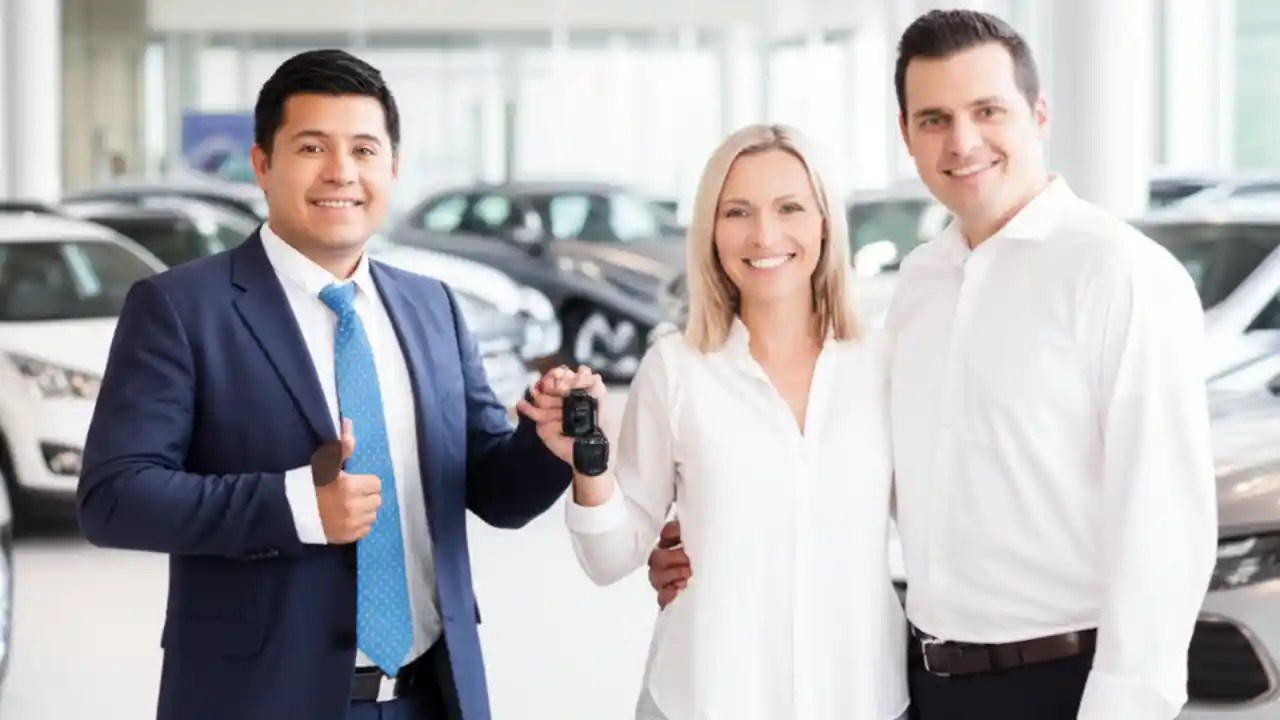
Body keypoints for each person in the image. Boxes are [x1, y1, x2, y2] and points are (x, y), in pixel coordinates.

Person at [648, 10, 1218, 720]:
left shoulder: (1119, 272)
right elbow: (872, 476)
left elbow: (1165, 525)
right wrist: (722, 531)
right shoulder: (921, 283)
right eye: (935, 119)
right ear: (907, 135)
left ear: (1039, 114)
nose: (963, 141)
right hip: (925, 682)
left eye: (988, 111)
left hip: (1066, 683)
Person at [77, 49, 580, 720]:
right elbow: (114, 498)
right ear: (262, 164)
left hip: (430, 698)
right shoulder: (180, 309)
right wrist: (296, 506)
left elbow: (494, 491)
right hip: (257, 702)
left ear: (393, 168)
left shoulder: (432, 306)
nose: (341, 171)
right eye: (312, 147)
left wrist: (545, 445)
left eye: (364, 150)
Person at [523, 123, 909, 719]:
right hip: (705, 700)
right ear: (711, 231)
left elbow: (934, 531)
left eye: (789, 208)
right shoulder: (675, 369)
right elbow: (610, 557)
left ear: (825, 223)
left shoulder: (884, 365)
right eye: (737, 212)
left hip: (860, 701)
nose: (764, 235)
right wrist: (588, 468)